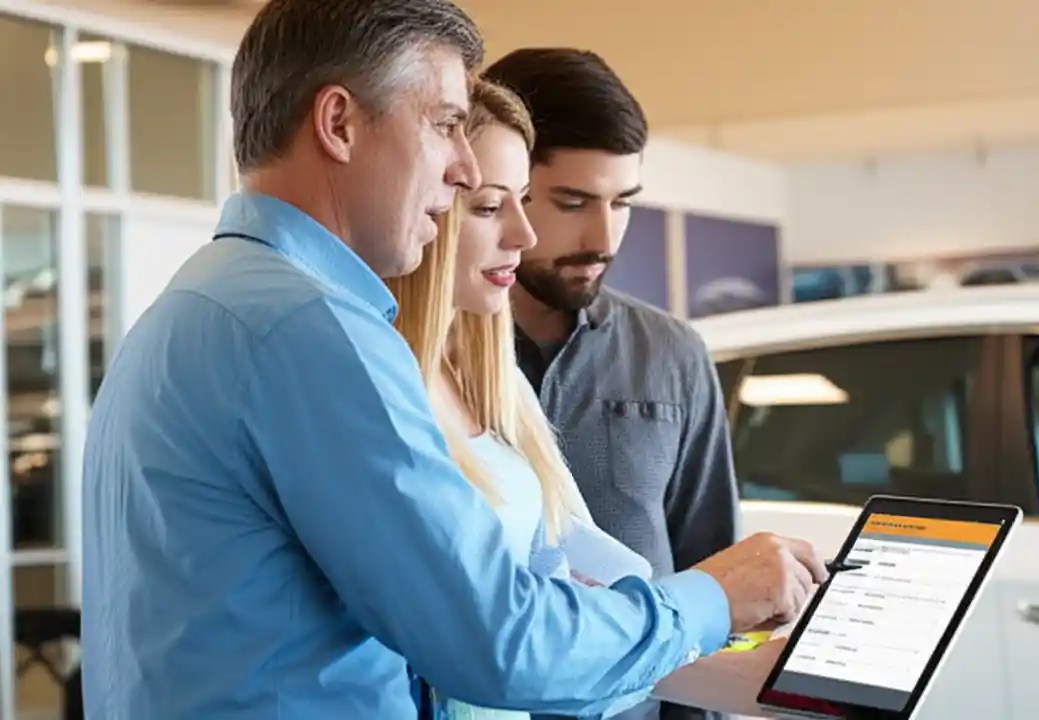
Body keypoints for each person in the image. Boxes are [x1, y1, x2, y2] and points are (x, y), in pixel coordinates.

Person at [80, 2, 825, 718]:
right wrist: (713, 596)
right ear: (338, 122)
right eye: (444, 126)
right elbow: (500, 644)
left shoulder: (197, 308)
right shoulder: (311, 331)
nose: (462, 167)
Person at [386, 79, 784, 720]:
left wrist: (750, 678)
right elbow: (498, 643)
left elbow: (576, 590)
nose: (522, 234)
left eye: (622, 203)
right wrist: (714, 609)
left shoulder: (497, 380)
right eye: (491, 207)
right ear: (427, 200)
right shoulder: (367, 384)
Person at [483, 48, 743, 720]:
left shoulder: (673, 355)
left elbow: (712, 576)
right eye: (572, 203)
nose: (603, 237)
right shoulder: (422, 358)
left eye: (622, 203)